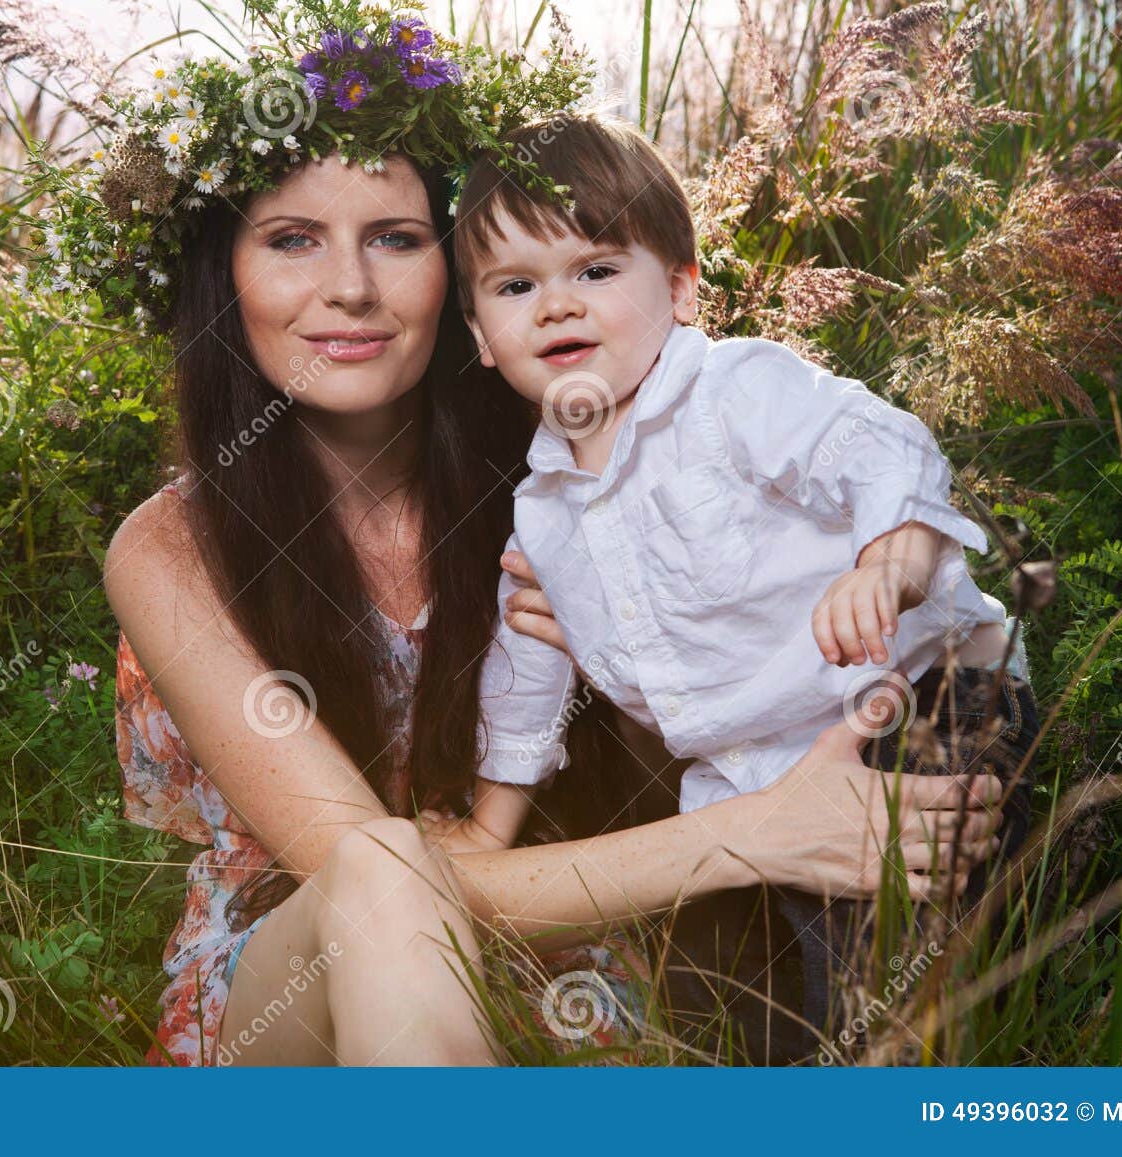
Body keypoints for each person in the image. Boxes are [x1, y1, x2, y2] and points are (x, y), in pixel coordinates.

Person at [55, 4, 1003, 1067]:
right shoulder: (175, 545)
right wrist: (764, 828)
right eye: (290, 240)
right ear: (220, 280)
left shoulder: (576, 466)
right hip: (298, 988)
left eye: (398, 238)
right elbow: (390, 888)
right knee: (377, 868)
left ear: (455, 286)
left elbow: (769, 601)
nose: (351, 287)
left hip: (580, 936)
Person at [432, 112, 1039, 1060]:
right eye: (516, 287)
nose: (556, 305)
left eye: (594, 270)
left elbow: (878, 446)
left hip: (919, 697)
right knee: (711, 988)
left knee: (895, 951)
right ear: (479, 333)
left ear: (678, 286)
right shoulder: (542, 514)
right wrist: (489, 822)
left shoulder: (735, 394)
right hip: (739, 778)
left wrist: (891, 561)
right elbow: (527, 675)